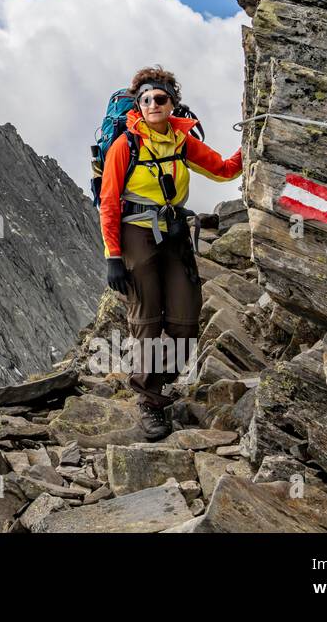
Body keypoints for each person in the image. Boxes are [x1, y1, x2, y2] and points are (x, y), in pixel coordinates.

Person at [97, 66, 242, 439]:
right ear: (138, 104)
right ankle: (149, 401)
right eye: (144, 99)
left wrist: (253, 142)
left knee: (184, 318)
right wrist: (114, 257)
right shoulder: (124, 146)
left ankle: (161, 380)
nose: (151, 104)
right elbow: (109, 203)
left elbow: (225, 170)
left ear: (172, 102)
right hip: (135, 235)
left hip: (174, 232)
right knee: (146, 320)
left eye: (159, 98)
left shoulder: (182, 141)